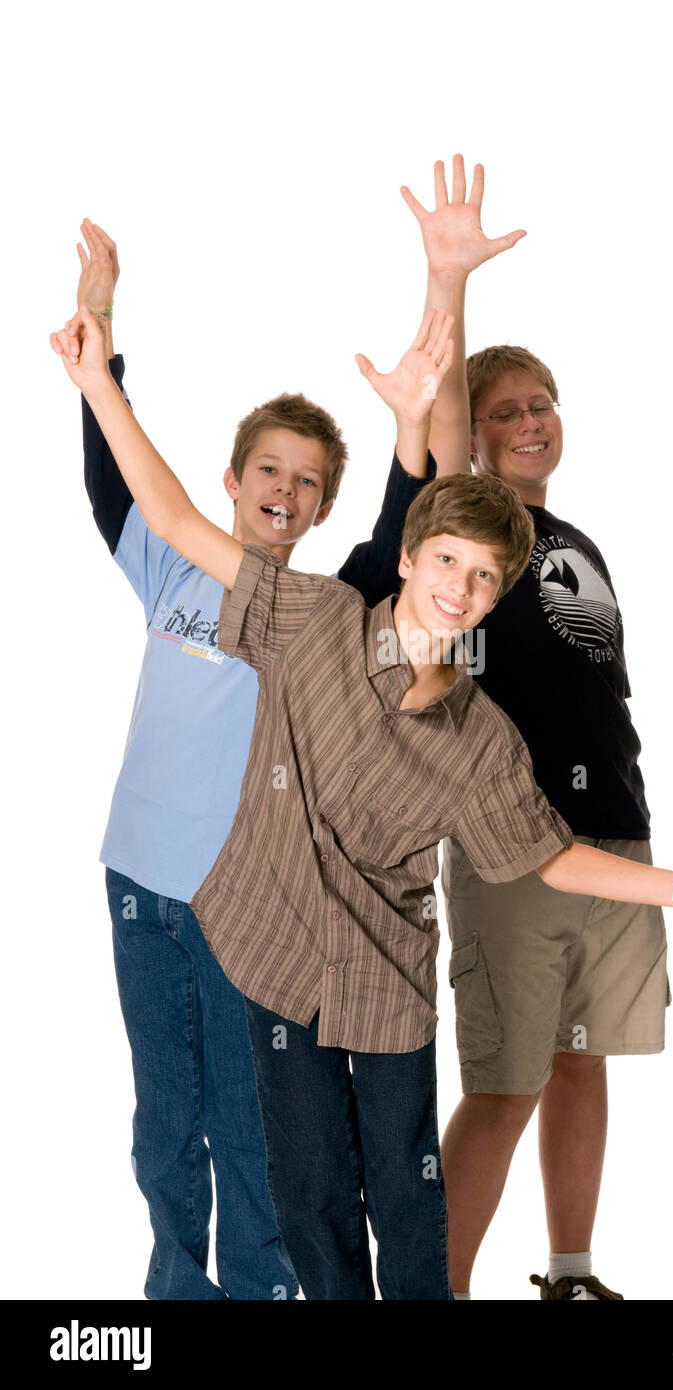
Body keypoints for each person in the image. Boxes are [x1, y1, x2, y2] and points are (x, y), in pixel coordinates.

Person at [51, 295, 673, 1301]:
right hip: (271, 957)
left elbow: (544, 855)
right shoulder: (311, 620)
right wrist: (98, 380)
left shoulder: (479, 740)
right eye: (444, 562)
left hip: (385, 983)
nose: (459, 587)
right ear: (405, 560)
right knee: (308, 1189)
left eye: (483, 579)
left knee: (403, 1196)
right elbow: (177, 520)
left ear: (494, 599)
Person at [399, 155, 673, 1300]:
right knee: (502, 1083)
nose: (522, 421)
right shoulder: (470, 531)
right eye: (500, 409)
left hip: (614, 834)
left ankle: (566, 1272)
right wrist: (448, 285)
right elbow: (441, 425)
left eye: (536, 404)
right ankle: (434, 1293)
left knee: (577, 1063)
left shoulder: (579, 540)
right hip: (517, 845)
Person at [68, 222, 447, 1300]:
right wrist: (101, 327)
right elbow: (112, 469)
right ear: (231, 482)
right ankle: (172, 1296)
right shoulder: (167, 564)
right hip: (142, 890)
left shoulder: (328, 614)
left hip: (252, 917)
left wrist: (409, 429)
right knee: (163, 1132)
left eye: (307, 480)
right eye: (267, 469)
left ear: (320, 508)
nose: (284, 488)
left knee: (253, 1137)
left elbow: (397, 534)